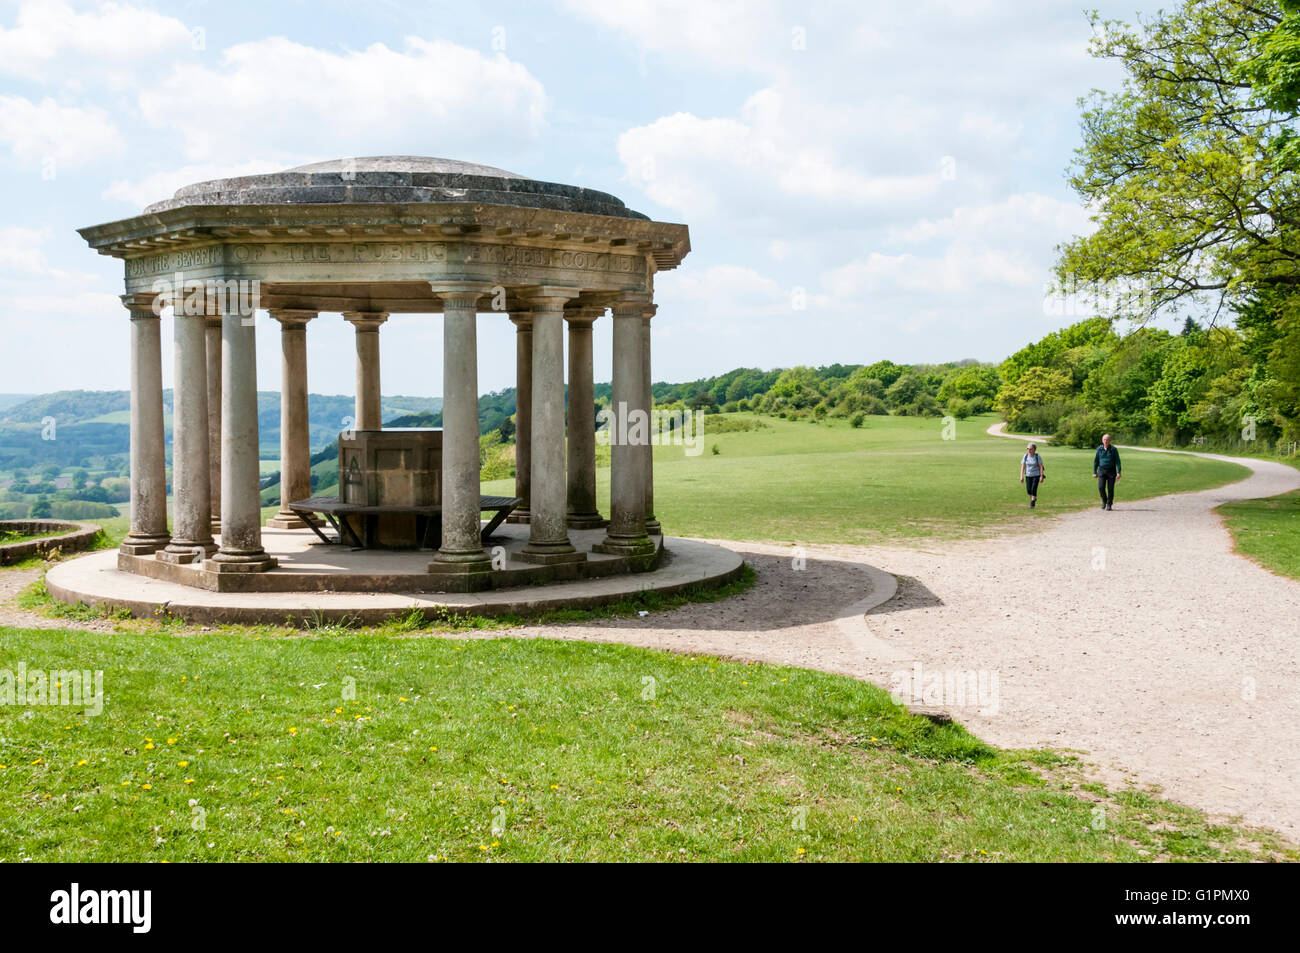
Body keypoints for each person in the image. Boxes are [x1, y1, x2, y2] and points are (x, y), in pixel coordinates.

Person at [1093, 433, 1122, 510]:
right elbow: (1096, 461)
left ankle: (1109, 504)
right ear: (1102, 440)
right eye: (1104, 439)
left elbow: (1118, 461)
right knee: (1101, 487)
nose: (1106, 441)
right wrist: (1095, 472)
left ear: (1110, 440)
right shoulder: (1099, 449)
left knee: (1110, 489)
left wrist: (1119, 472)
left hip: (1111, 471)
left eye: (1107, 440)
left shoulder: (1114, 449)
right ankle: (1104, 501)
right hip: (1102, 470)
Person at [1019, 442, 1046, 508]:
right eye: (1028, 449)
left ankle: (1032, 502)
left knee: (1034, 488)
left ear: (1034, 449)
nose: (1029, 450)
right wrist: (1021, 476)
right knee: (1028, 490)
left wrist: (1041, 476)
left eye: (1030, 449)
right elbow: (1023, 466)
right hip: (1028, 475)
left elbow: (1041, 466)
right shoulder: (1025, 456)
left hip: (1036, 475)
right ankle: (1033, 498)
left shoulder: (1037, 456)